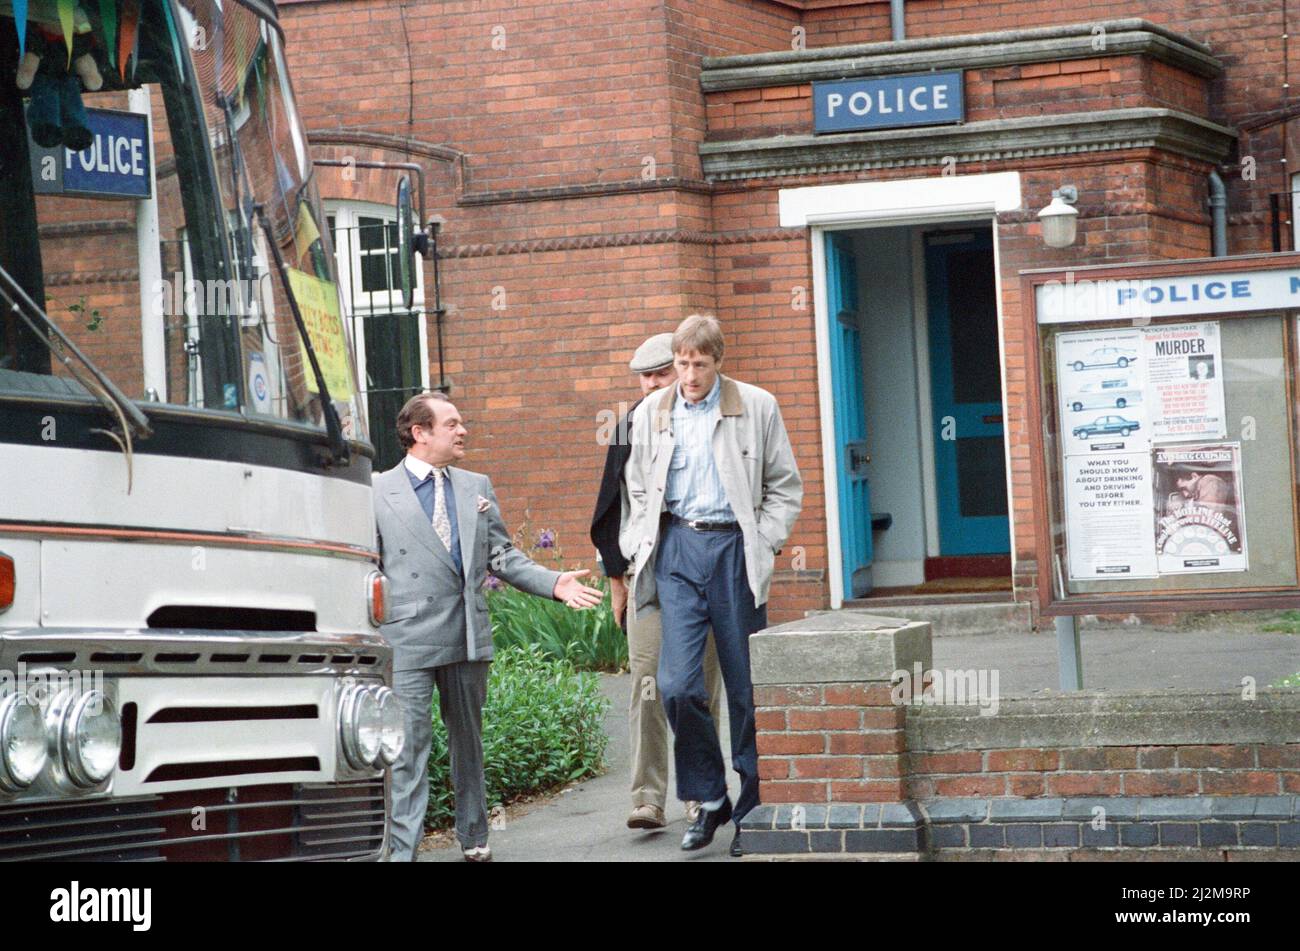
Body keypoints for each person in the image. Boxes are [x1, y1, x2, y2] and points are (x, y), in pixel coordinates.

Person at [375, 392, 603, 862]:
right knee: (407, 750)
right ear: (419, 433)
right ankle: (401, 852)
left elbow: (501, 556)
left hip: (466, 633)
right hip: (408, 638)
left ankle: (475, 838)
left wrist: (553, 582)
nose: (464, 431)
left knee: (469, 744)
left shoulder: (475, 484)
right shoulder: (378, 491)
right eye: (452, 424)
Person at [621, 314, 802, 857]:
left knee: (745, 688)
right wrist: (636, 544)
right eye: (682, 364)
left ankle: (749, 808)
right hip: (674, 549)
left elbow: (785, 487)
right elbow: (635, 487)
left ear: (718, 361)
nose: (690, 374)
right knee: (675, 685)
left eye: (700, 364)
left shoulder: (756, 406)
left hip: (732, 551)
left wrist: (765, 540)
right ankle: (707, 798)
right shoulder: (652, 411)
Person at [589, 332, 724, 831]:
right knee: (646, 683)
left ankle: (700, 793)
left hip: (705, 570)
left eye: (659, 374)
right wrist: (616, 584)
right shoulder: (628, 428)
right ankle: (647, 797)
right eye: (644, 377)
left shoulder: (713, 421)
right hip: (647, 577)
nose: (652, 384)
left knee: (697, 688)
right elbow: (608, 509)